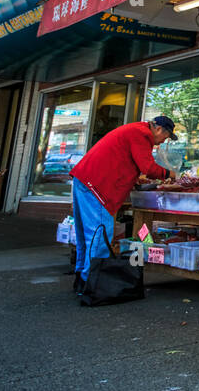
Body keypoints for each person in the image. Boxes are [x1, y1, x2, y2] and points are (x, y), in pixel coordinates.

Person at [68, 115, 177, 287]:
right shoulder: (142, 134)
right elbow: (147, 167)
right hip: (97, 185)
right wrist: (170, 174)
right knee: (100, 234)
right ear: (158, 129)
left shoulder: (134, 130)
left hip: (85, 179)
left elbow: (124, 159)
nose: (163, 142)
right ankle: (93, 284)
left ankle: (82, 279)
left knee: (86, 235)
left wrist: (133, 178)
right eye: (166, 137)